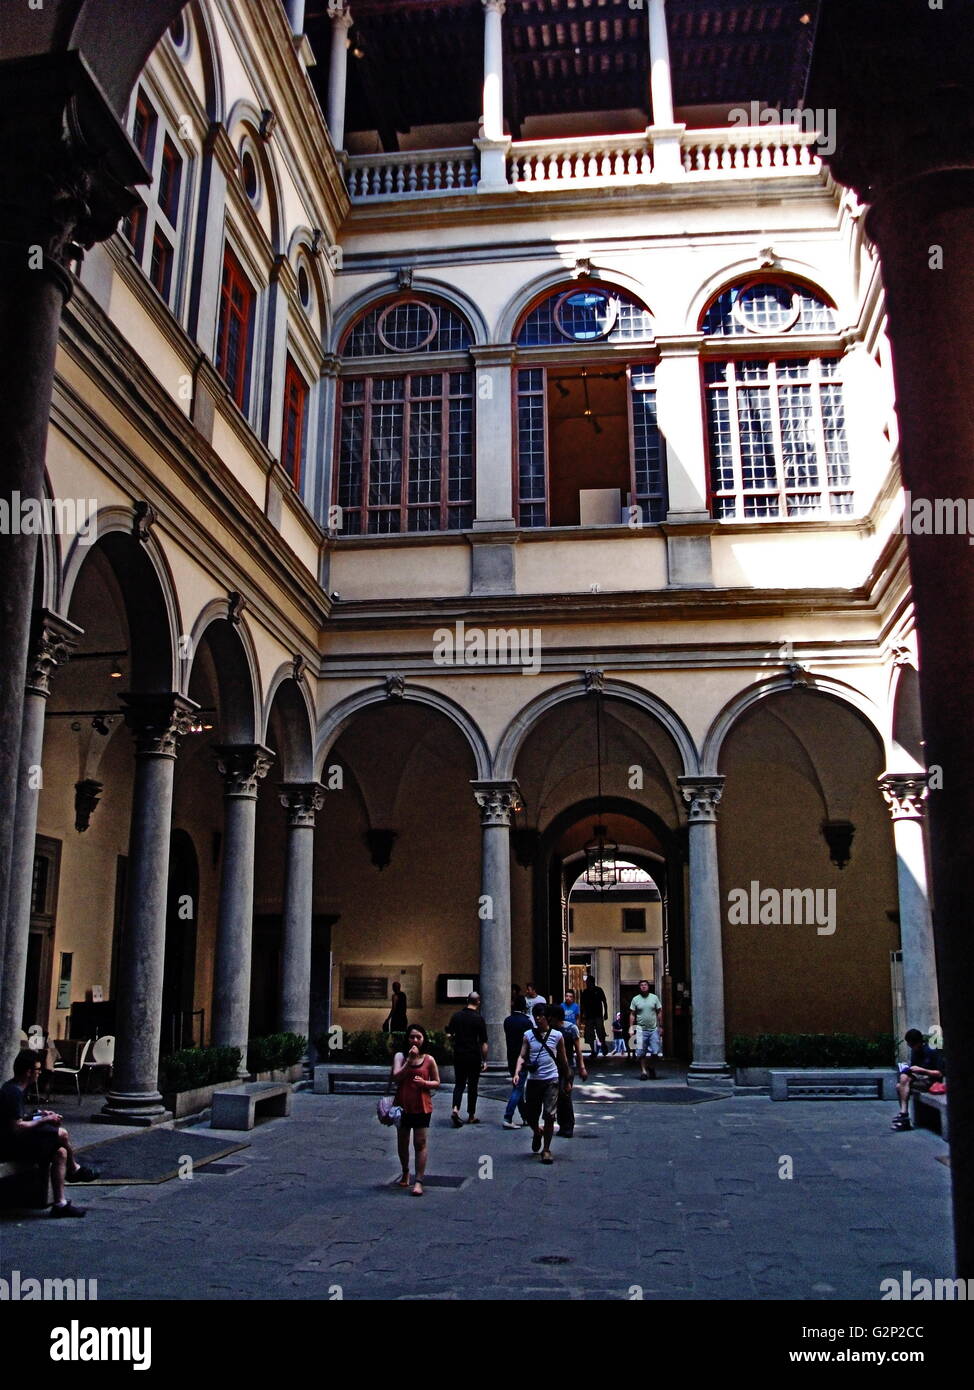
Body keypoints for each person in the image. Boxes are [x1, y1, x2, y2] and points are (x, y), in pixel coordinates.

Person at [0, 1051, 98, 1217]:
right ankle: (74, 1169)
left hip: (18, 1140)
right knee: (62, 1134)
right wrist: (45, 1120)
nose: (39, 1073)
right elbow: (17, 1127)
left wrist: (41, 1114)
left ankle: (60, 1204)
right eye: (38, 1070)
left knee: (61, 1152)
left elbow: (19, 1117)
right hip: (10, 1145)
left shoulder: (17, 1088)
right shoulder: (13, 1092)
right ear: (28, 1072)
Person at [512, 1002, 572, 1164]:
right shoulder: (528, 1035)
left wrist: (567, 1080)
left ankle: (546, 1149)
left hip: (551, 1079)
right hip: (534, 1080)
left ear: (548, 1017)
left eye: (541, 1016)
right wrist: (517, 1072)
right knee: (531, 1116)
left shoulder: (557, 1036)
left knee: (549, 1115)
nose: (538, 1019)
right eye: (535, 1016)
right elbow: (522, 1056)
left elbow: (563, 1060)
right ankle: (537, 1132)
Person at [390, 1025, 440, 1195]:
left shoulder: (429, 1059)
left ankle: (419, 1180)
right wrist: (409, 1062)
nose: (415, 1040)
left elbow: (437, 1082)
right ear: (407, 1039)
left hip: (422, 1105)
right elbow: (396, 1077)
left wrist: (425, 1084)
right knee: (403, 1142)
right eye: (412, 1037)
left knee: (420, 1143)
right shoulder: (400, 1056)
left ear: (424, 1039)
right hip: (403, 1105)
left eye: (418, 1037)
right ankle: (405, 1171)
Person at [445, 991, 488, 1127]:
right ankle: (471, 1115)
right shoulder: (479, 1019)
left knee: (459, 1084)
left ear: (467, 1000)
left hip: (459, 1054)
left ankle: (455, 1109)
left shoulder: (456, 1016)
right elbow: (484, 1043)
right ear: (478, 1002)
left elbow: (449, 1034)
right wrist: (484, 1060)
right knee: (473, 1086)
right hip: (473, 1055)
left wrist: (454, 1041)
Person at [892, 1029, 945, 1131]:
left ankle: (904, 1117)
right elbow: (914, 1069)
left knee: (900, 1087)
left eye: (912, 1045)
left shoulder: (932, 1051)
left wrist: (923, 1071)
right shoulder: (915, 1051)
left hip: (932, 1082)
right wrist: (909, 1070)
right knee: (902, 1079)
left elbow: (939, 1073)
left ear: (919, 1042)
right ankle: (904, 1114)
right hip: (920, 1079)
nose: (911, 1048)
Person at [546, 1002, 586, 1137]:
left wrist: (582, 1067)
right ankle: (563, 1125)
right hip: (553, 1066)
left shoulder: (570, 1029)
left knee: (565, 1095)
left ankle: (568, 1125)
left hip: (568, 1066)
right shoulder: (549, 1030)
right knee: (556, 1097)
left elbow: (578, 1050)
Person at [502, 995, 534, 1128]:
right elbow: (531, 1041)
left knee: (518, 1087)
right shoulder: (527, 1022)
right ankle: (508, 1117)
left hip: (510, 1057)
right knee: (518, 1088)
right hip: (522, 1058)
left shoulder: (507, 1021)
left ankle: (525, 1116)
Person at [629, 979, 664, 1079]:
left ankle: (651, 1066)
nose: (643, 986)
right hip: (640, 1029)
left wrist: (661, 1026)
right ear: (639, 988)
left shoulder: (654, 998)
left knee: (656, 1051)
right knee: (641, 1052)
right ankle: (644, 1072)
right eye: (641, 985)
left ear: (648, 987)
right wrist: (631, 1027)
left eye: (645, 985)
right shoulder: (635, 999)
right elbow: (632, 1014)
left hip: (653, 1029)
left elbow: (659, 1012)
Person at [580, 974, 608, 1059]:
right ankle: (593, 1050)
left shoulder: (598, 990)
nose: (587, 983)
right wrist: (582, 1015)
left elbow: (604, 1001)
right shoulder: (585, 992)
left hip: (598, 1014)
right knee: (589, 1033)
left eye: (588, 981)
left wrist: (606, 1012)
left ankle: (603, 1044)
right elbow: (582, 1005)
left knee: (600, 1031)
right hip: (589, 1015)